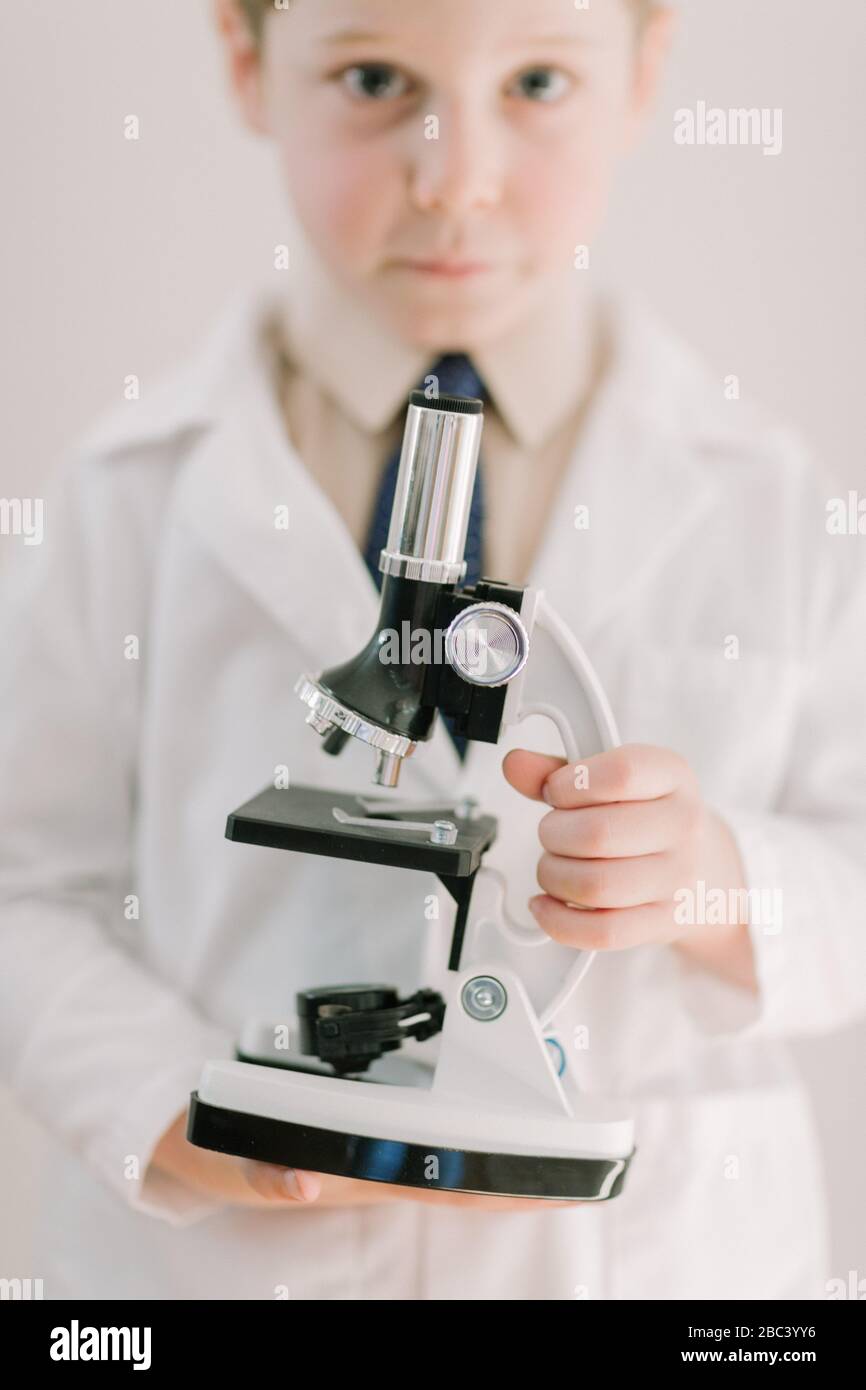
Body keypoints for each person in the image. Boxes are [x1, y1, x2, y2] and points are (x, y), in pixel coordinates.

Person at [1, 0, 864, 1301]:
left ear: (643, 73)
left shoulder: (770, 501)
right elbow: (23, 887)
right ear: (246, 60)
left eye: (535, 82)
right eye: (372, 79)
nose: (454, 179)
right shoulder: (129, 493)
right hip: (224, 1271)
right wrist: (174, 1112)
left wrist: (708, 882)